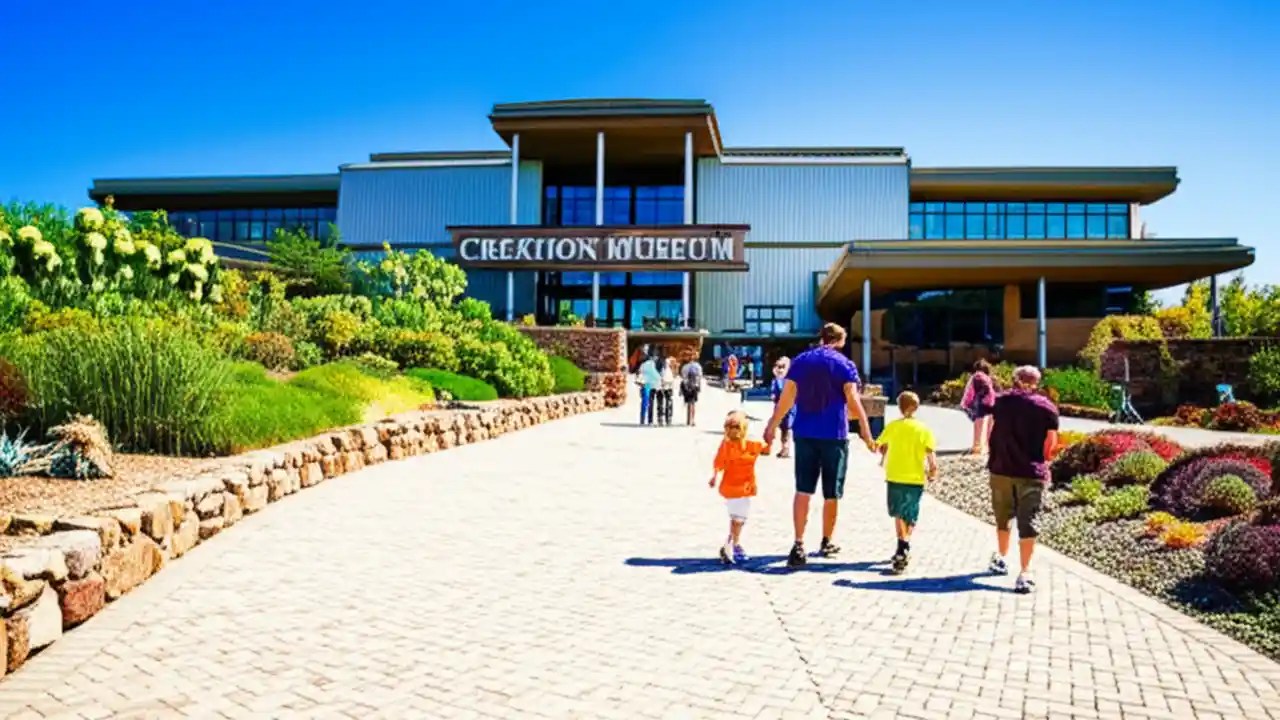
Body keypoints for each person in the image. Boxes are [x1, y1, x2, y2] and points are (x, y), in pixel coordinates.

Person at [765, 323, 876, 568]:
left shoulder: (801, 362)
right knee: (831, 492)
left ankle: (798, 543)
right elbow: (853, 400)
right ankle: (826, 540)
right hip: (834, 434)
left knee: (803, 489)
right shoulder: (844, 364)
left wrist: (772, 425)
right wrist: (867, 432)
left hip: (804, 432)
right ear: (840, 340)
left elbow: (787, 397)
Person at [987, 365, 1060, 594]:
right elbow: (1051, 445)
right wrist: (1042, 459)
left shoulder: (999, 402)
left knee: (1003, 516)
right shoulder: (1047, 407)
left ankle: (1000, 556)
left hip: (1001, 469)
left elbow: (991, 432)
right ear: (1036, 382)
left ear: (1015, 380)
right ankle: (1025, 572)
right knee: (1029, 522)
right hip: (1031, 472)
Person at [874, 391, 938, 575]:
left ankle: (902, 545)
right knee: (911, 513)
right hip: (915, 477)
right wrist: (933, 469)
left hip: (895, 475)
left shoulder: (893, 427)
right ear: (916, 407)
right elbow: (930, 452)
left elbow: (879, 445)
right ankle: (905, 543)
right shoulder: (923, 429)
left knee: (898, 512)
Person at [709, 410, 770, 564]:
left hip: (741, 488)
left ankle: (732, 544)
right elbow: (719, 462)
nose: (734, 430)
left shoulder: (747, 443)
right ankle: (733, 545)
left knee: (738, 518)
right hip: (735, 488)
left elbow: (765, 449)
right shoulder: (732, 444)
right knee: (738, 518)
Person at [961, 359, 996, 455]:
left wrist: (965, 404)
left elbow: (970, 391)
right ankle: (989, 447)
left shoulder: (975, 377)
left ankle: (977, 447)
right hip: (991, 404)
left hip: (979, 404)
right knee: (990, 426)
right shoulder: (990, 378)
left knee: (978, 426)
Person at [769, 357, 796, 457]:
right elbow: (773, 393)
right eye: (777, 366)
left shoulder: (790, 379)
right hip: (779, 408)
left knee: (788, 427)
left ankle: (786, 448)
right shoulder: (776, 380)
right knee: (783, 428)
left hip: (789, 407)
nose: (780, 369)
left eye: (782, 367)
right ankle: (783, 447)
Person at [638, 352, 661, 426]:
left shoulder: (642, 365)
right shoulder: (653, 364)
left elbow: (639, 374)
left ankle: (642, 419)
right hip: (652, 386)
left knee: (644, 403)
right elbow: (656, 375)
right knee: (651, 403)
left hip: (644, 385)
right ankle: (650, 421)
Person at [680, 355, 703, 426]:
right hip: (694, 387)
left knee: (687, 401)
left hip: (686, 387)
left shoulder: (684, 367)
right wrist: (699, 387)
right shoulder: (698, 366)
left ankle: (688, 420)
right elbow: (700, 376)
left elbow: (682, 376)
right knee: (693, 404)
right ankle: (693, 420)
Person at [656, 351, 676, 426]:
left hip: (661, 385)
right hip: (667, 384)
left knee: (661, 402)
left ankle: (661, 418)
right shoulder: (669, 365)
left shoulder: (658, 363)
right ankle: (667, 419)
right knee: (668, 401)